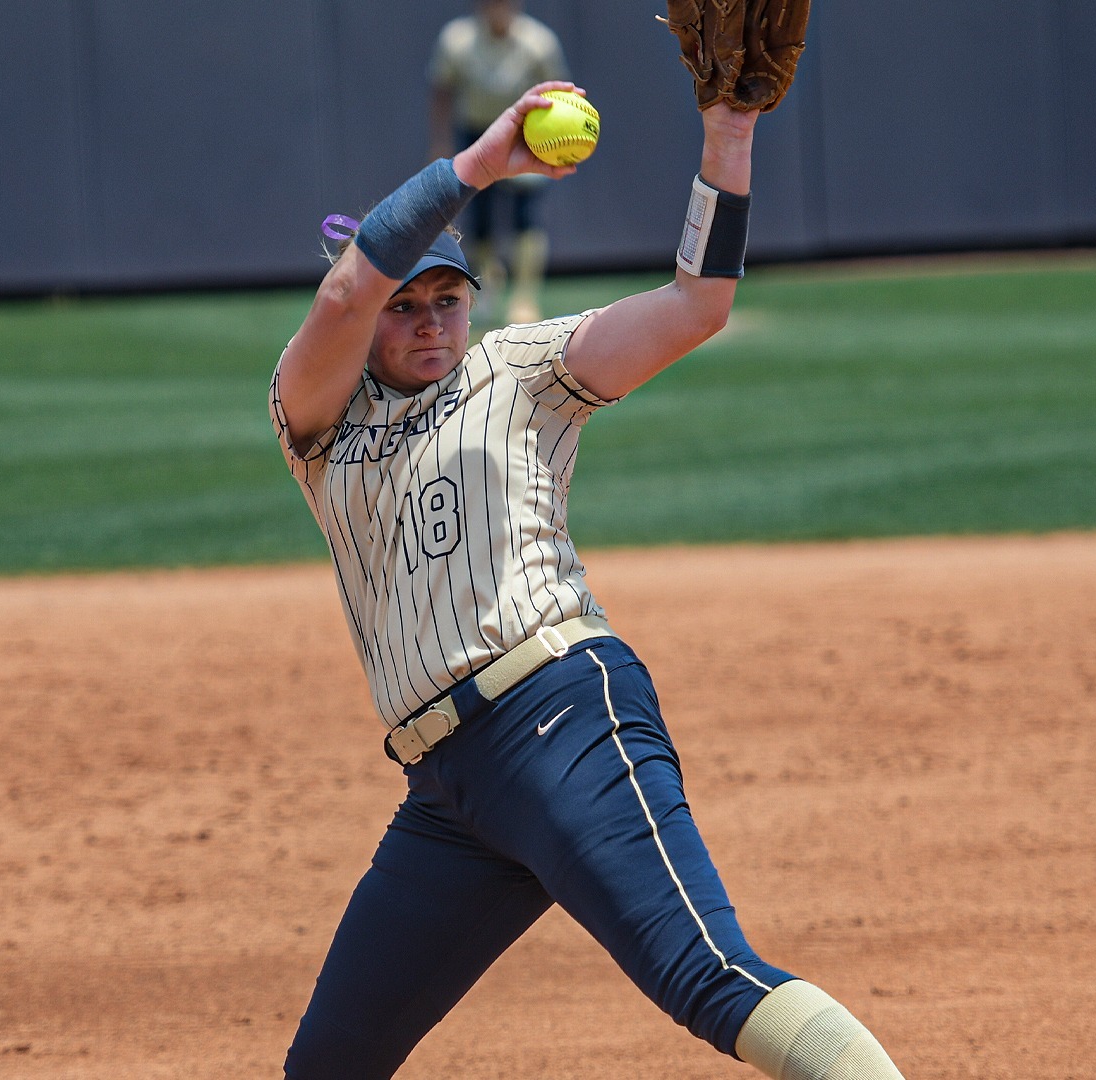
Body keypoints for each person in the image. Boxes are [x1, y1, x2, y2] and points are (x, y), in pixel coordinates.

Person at [267, 70, 908, 1080]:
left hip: (560, 712)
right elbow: (346, 291)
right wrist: (483, 162)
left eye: (449, 298)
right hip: (448, 794)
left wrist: (727, 140)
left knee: (707, 975)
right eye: (407, 308)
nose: (432, 322)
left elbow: (697, 306)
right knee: (327, 1066)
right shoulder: (313, 426)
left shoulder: (518, 369)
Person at [427, 0, 568, 325]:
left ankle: (525, 297)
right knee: (480, 220)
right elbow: (442, 91)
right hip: (476, 132)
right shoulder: (457, 39)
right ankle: (487, 287)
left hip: (524, 136)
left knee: (525, 215)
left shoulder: (539, 42)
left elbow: (559, 94)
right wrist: (440, 142)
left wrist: (551, 143)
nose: (499, 9)